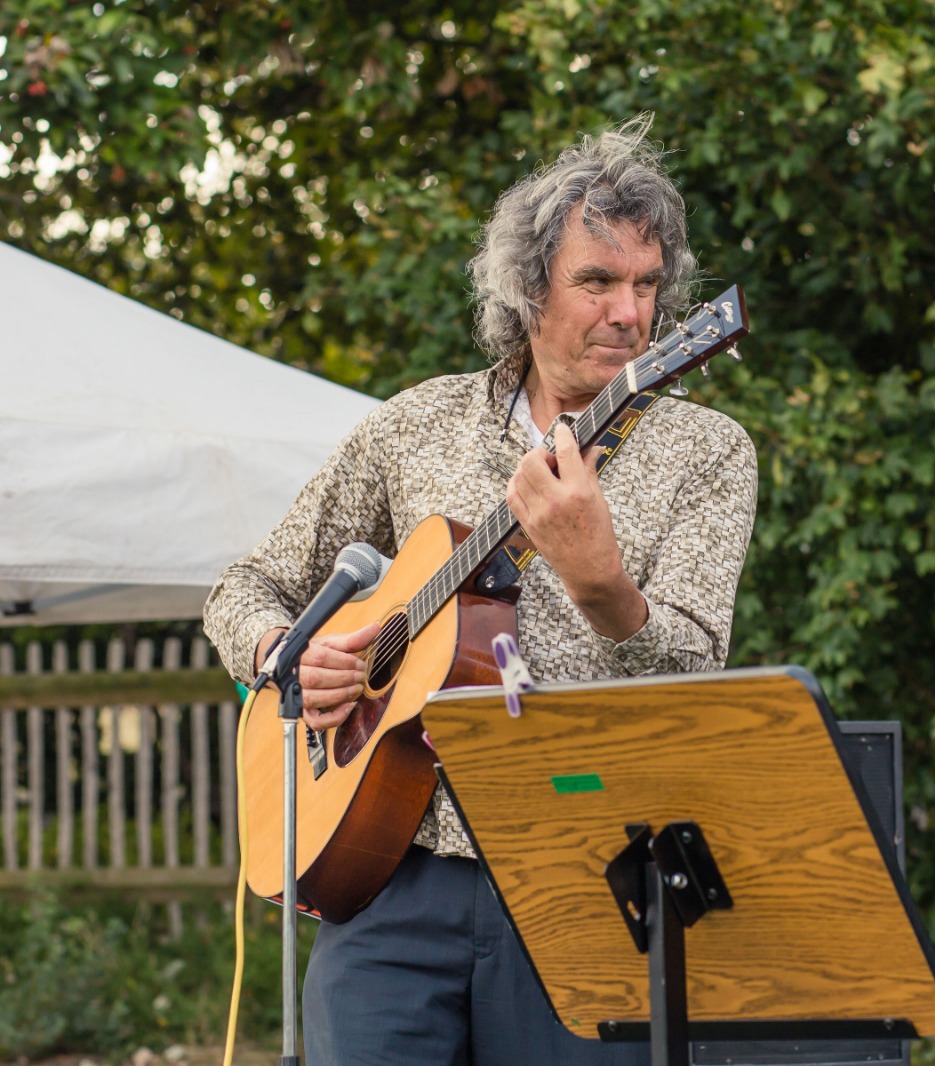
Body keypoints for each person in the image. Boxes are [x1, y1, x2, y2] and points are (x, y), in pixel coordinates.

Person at [203, 114, 758, 1065]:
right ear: (525, 290)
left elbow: (694, 665)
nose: (629, 313)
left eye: (647, 286)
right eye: (597, 281)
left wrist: (602, 584)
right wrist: (287, 658)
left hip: (586, 874)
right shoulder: (414, 426)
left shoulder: (706, 452)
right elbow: (246, 586)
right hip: (386, 872)